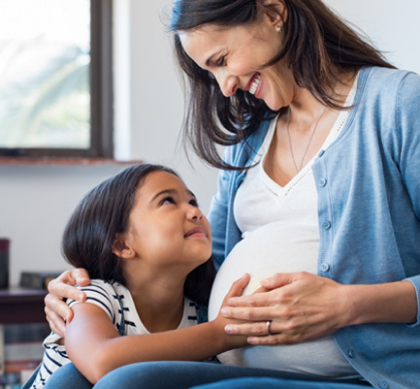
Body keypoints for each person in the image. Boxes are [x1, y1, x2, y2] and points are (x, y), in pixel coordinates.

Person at [44, 0, 420, 388]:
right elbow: (209, 266)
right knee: (68, 380)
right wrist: (87, 295)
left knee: (124, 384)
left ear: (273, 13)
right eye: (211, 72)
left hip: (361, 374)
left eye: (222, 59)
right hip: (236, 363)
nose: (225, 87)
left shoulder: (398, 106)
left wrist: (346, 306)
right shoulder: (247, 142)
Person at [24, 163, 257, 388]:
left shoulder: (201, 312)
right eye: (167, 201)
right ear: (122, 244)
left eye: (193, 201)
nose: (195, 212)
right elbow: (101, 361)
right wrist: (221, 333)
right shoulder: (91, 297)